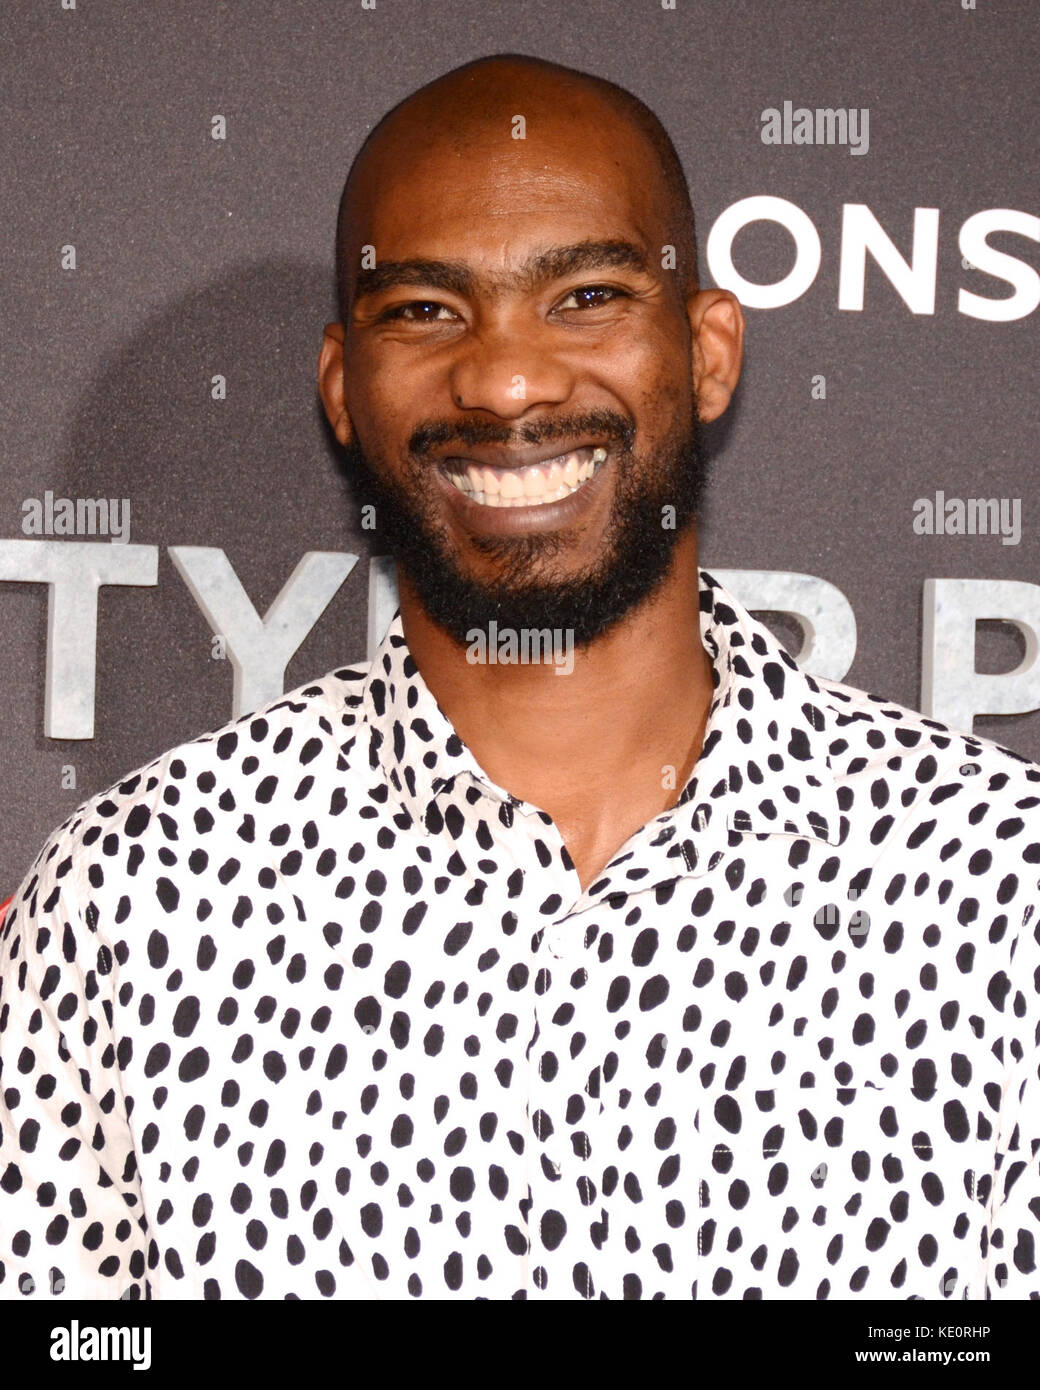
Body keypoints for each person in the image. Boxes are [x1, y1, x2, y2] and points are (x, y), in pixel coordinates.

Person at [1, 53, 1038, 1303]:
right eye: (425, 311)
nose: (503, 380)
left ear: (707, 352)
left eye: (587, 294)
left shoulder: (994, 887)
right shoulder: (134, 904)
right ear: (342, 386)